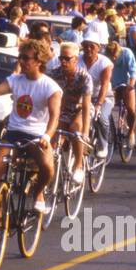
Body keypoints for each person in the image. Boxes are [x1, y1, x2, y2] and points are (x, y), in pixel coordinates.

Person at [0, 38, 61, 214]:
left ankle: (38, 193)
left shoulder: (51, 87)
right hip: (13, 133)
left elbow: (54, 117)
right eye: (20, 57)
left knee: (47, 167)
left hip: (37, 135)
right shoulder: (15, 79)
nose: (21, 61)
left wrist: (46, 137)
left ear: (39, 61)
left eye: (26, 58)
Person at [50, 41, 92, 183]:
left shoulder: (84, 77)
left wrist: (85, 133)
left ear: (76, 59)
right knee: (54, 135)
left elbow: (86, 106)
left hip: (79, 109)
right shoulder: (54, 74)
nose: (63, 62)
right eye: (61, 58)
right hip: (62, 109)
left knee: (75, 129)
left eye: (67, 59)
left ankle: (78, 165)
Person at [106, 36, 136, 149]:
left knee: (130, 109)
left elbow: (133, 71)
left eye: (115, 55)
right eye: (111, 56)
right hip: (114, 83)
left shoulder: (127, 53)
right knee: (107, 106)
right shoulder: (106, 55)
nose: (113, 58)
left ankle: (131, 133)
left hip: (127, 82)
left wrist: (131, 84)